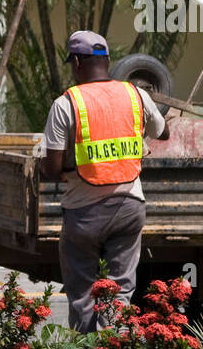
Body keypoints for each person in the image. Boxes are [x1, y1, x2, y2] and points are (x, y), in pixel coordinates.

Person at [40, 30, 169, 332]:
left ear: (75, 62)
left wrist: (54, 167)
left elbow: (52, 167)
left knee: (83, 293)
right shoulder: (136, 94)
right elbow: (162, 132)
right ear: (108, 60)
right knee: (120, 291)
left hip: (84, 212)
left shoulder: (66, 104)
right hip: (130, 206)